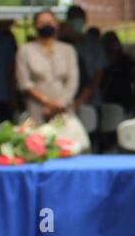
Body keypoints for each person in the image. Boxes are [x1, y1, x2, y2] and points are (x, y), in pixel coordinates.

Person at [15, 9, 90, 153]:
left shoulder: (68, 50)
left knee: (78, 149)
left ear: (57, 25)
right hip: (37, 113)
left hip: (64, 112)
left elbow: (73, 81)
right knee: (37, 153)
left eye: (50, 22)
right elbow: (24, 83)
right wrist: (46, 102)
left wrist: (59, 104)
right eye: (42, 22)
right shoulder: (25, 50)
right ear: (35, 26)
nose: (46, 25)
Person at [65, 5, 106, 110]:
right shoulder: (62, 44)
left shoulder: (94, 44)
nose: (76, 21)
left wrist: (83, 98)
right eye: (72, 18)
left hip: (92, 101)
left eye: (78, 17)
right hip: (66, 99)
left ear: (85, 20)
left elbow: (98, 74)